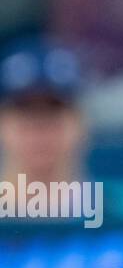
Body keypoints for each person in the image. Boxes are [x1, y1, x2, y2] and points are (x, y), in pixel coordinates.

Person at [0, 37, 89, 189]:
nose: (39, 128)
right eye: (25, 112)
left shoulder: (115, 210)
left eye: (53, 110)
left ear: (81, 122)